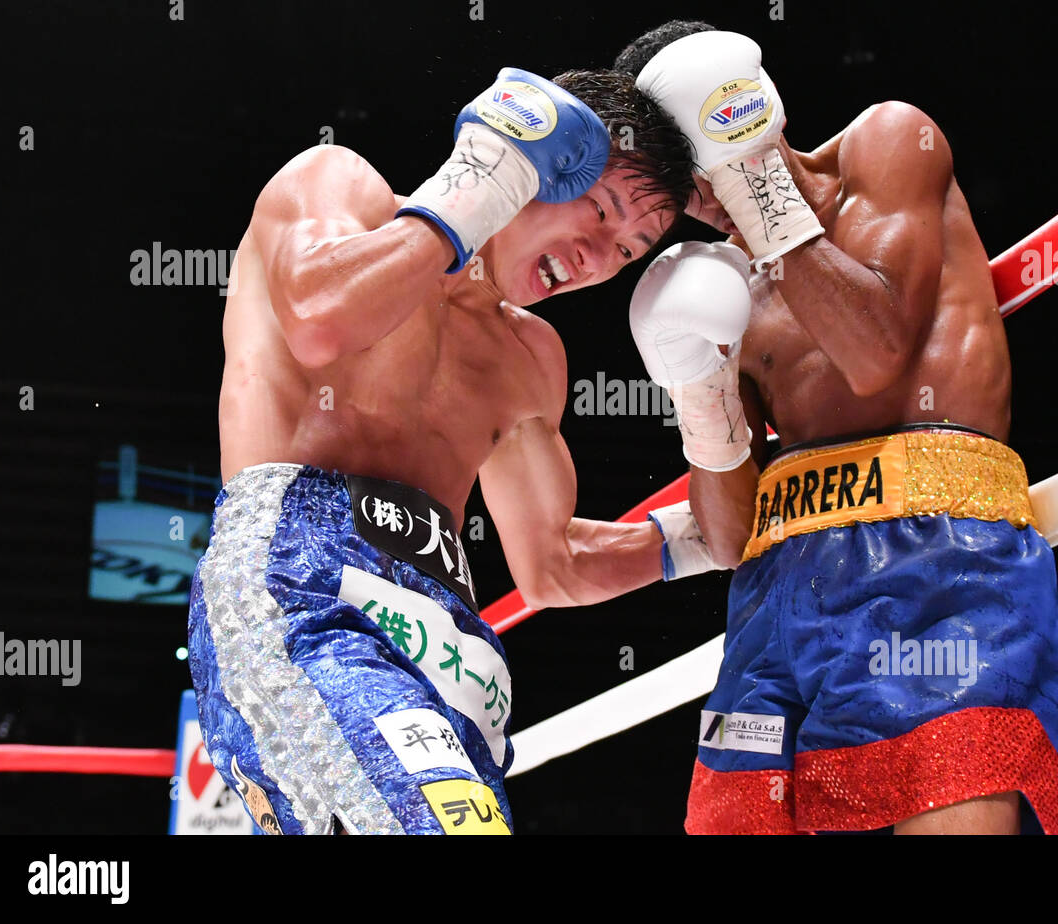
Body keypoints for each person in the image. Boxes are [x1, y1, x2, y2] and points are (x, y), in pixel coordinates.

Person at [188, 66, 715, 835]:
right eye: (601, 210)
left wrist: (712, 534)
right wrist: (476, 188)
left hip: (452, 656)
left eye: (629, 250)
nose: (601, 255)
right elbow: (318, 316)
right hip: (305, 589)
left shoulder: (530, 359)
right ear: (541, 158)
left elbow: (554, 563)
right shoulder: (341, 190)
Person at [620, 24, 1058, 834]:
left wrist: (756, 180)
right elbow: (728, 541)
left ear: (746, 108)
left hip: (943, 570)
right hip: (775, 603)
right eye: (679, 185)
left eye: (698, 154)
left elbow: (876, 354)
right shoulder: (725, 291)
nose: (701, 194)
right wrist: (701, 388)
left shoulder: (888, 142)